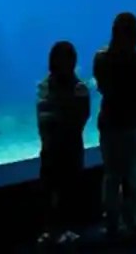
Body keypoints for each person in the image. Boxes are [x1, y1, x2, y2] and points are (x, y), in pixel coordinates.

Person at [93, 12, 136, 238]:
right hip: (135, 122)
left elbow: (100, 86)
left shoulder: (100, 59)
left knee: (111, 175)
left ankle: (111, 223)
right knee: (133, 174)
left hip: (110, 121)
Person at [36, 41, 91, 248]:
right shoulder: (80, 87)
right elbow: (83, 116)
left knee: (52, 189)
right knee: (66, 188)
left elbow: (42, 116)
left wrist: (49, 134)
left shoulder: (44, 86)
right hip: (68, 146)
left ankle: (51, 230)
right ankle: (59, 230)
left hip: (51, 146)